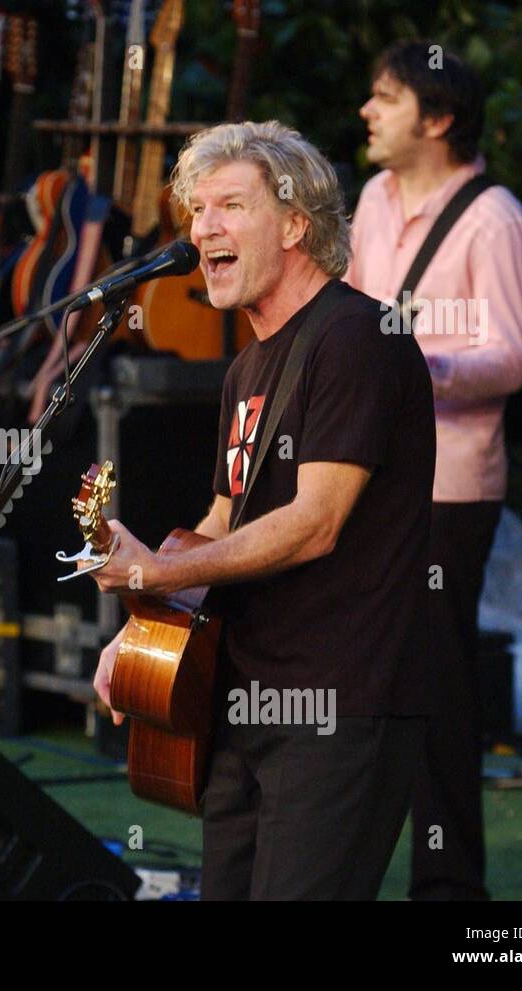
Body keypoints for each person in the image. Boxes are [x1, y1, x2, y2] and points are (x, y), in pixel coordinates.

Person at [90, 120, 435, 900]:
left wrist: (162, 565)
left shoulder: (357, 338)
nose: (203, 227)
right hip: (245, 695)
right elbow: (224, 515)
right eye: (196, 209)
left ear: (294, 224)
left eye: (230, 206)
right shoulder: (248, 361)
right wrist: (139, 622)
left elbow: (316, 521)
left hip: (340, 704)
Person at [346, 40, 522, 901]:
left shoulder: (495, 218)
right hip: (363, 477)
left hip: (450, 487)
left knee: (439, 684)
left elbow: (510, 357)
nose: (367, 111)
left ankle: (451, 889)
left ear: (438, 119)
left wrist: (413, 365)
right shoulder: (373, 198)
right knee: (360, 678)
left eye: (386, 98)